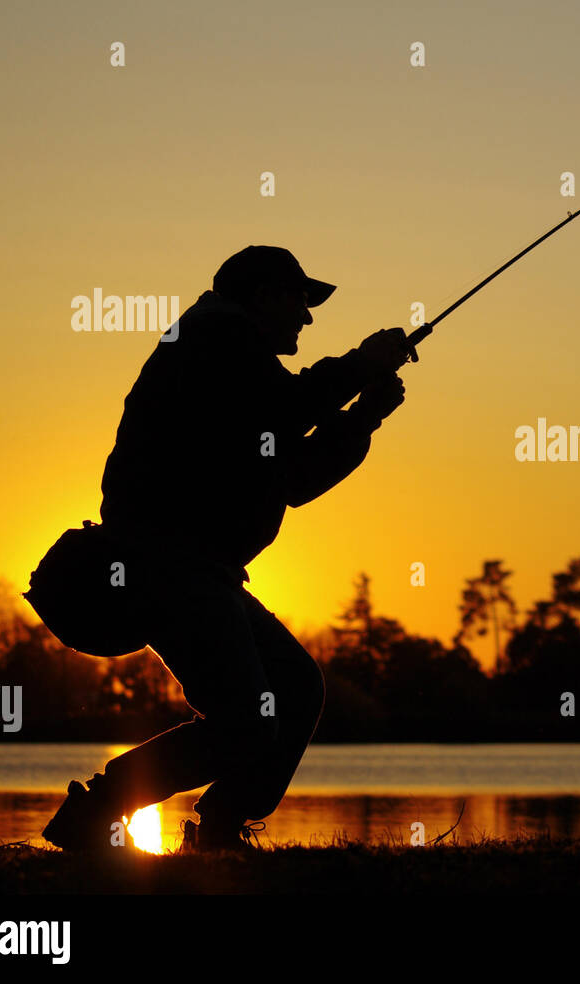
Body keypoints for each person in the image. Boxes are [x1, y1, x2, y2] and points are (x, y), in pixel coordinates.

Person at [42, 245, 415, 852]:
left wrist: (365, 413)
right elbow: (289, 409)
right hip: (167, 564)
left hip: (202, 571)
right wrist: (359, 365)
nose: (307, 318)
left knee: (293, 689)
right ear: (263, 296)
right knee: (250, 717)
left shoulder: (235, 360)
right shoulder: (213, 335)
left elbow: (295, 478)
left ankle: (219, 829)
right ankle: (103, 810)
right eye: (300, 302)